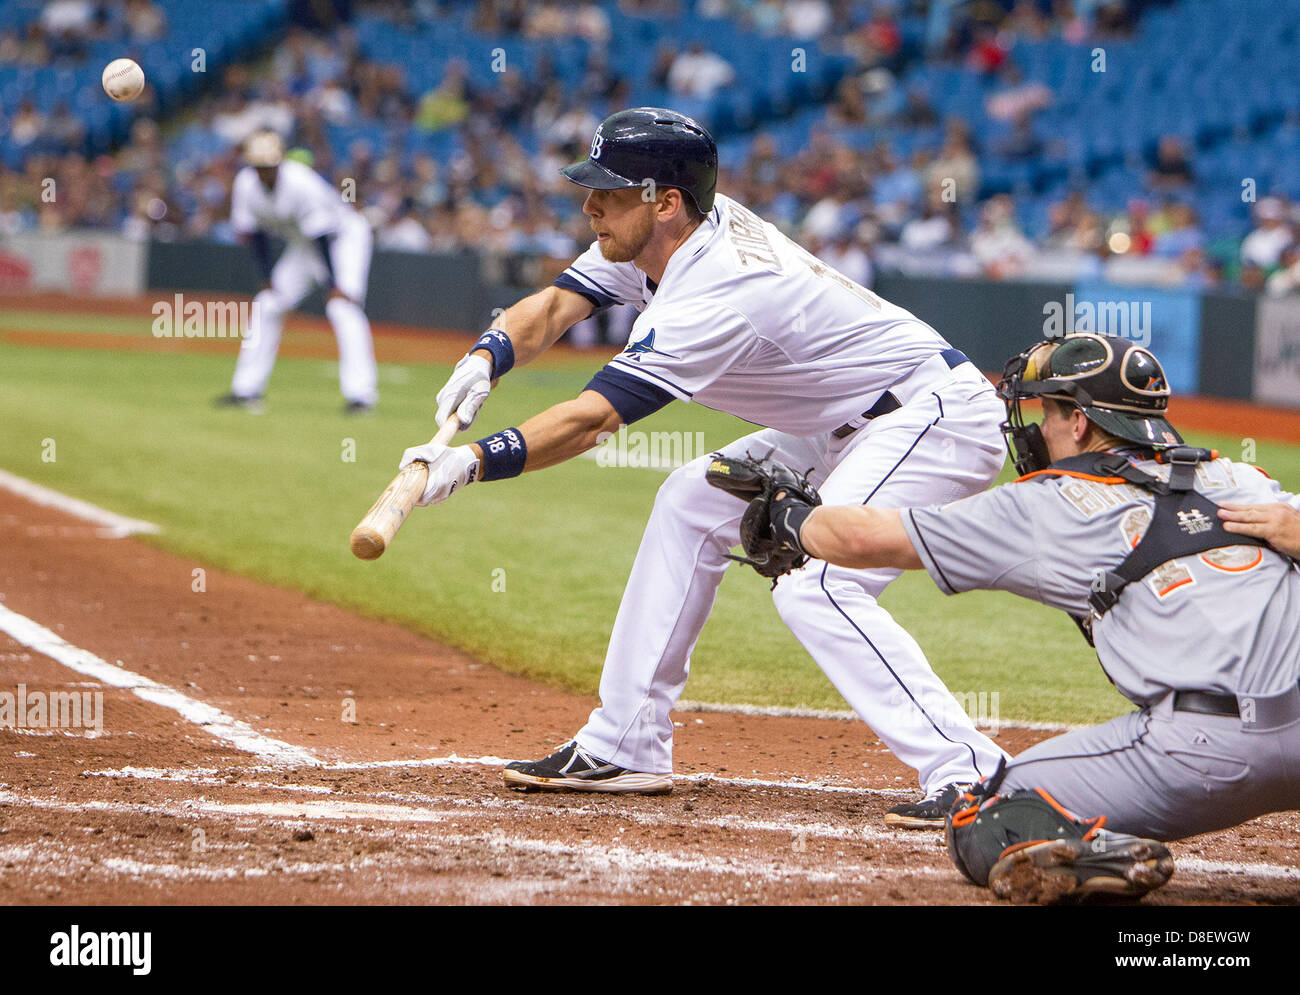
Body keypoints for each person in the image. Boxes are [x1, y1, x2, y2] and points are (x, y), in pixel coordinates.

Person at [398, 107, 1009, 825]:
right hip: (836, 426)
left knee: (818, 582)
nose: (590, 204)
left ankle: (972, 769)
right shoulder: (660, 238)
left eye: (611, 190)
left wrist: (469, 461)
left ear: (667, 203)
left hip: (929, 418)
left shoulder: (720, 288)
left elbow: (593, 419)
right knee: (689, 499)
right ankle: (627, 741)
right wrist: (488, 354)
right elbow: (559, 303)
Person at [730, 333, 1300, 903]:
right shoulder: (1246, 482)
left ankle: (1101, 860)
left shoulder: (1048, 502)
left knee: (986, 814)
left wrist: (790, 517)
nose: (1038, 429)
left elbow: (863, 537)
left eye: (1048, 411)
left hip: (1202, 754)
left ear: (1078, 423)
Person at [214, 129, 378, 414]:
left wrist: (333, 285)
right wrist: (267, 281)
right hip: (305, 245)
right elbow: (254, 236)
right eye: (259, 167)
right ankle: (246, 390)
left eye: (270, 166)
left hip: (343, 239)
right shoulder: (246, 185)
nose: (265, 172)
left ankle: (361, 395)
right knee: (267, 304)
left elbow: (322, 238)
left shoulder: (300, 182)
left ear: (280, 163)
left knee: (342, 308)